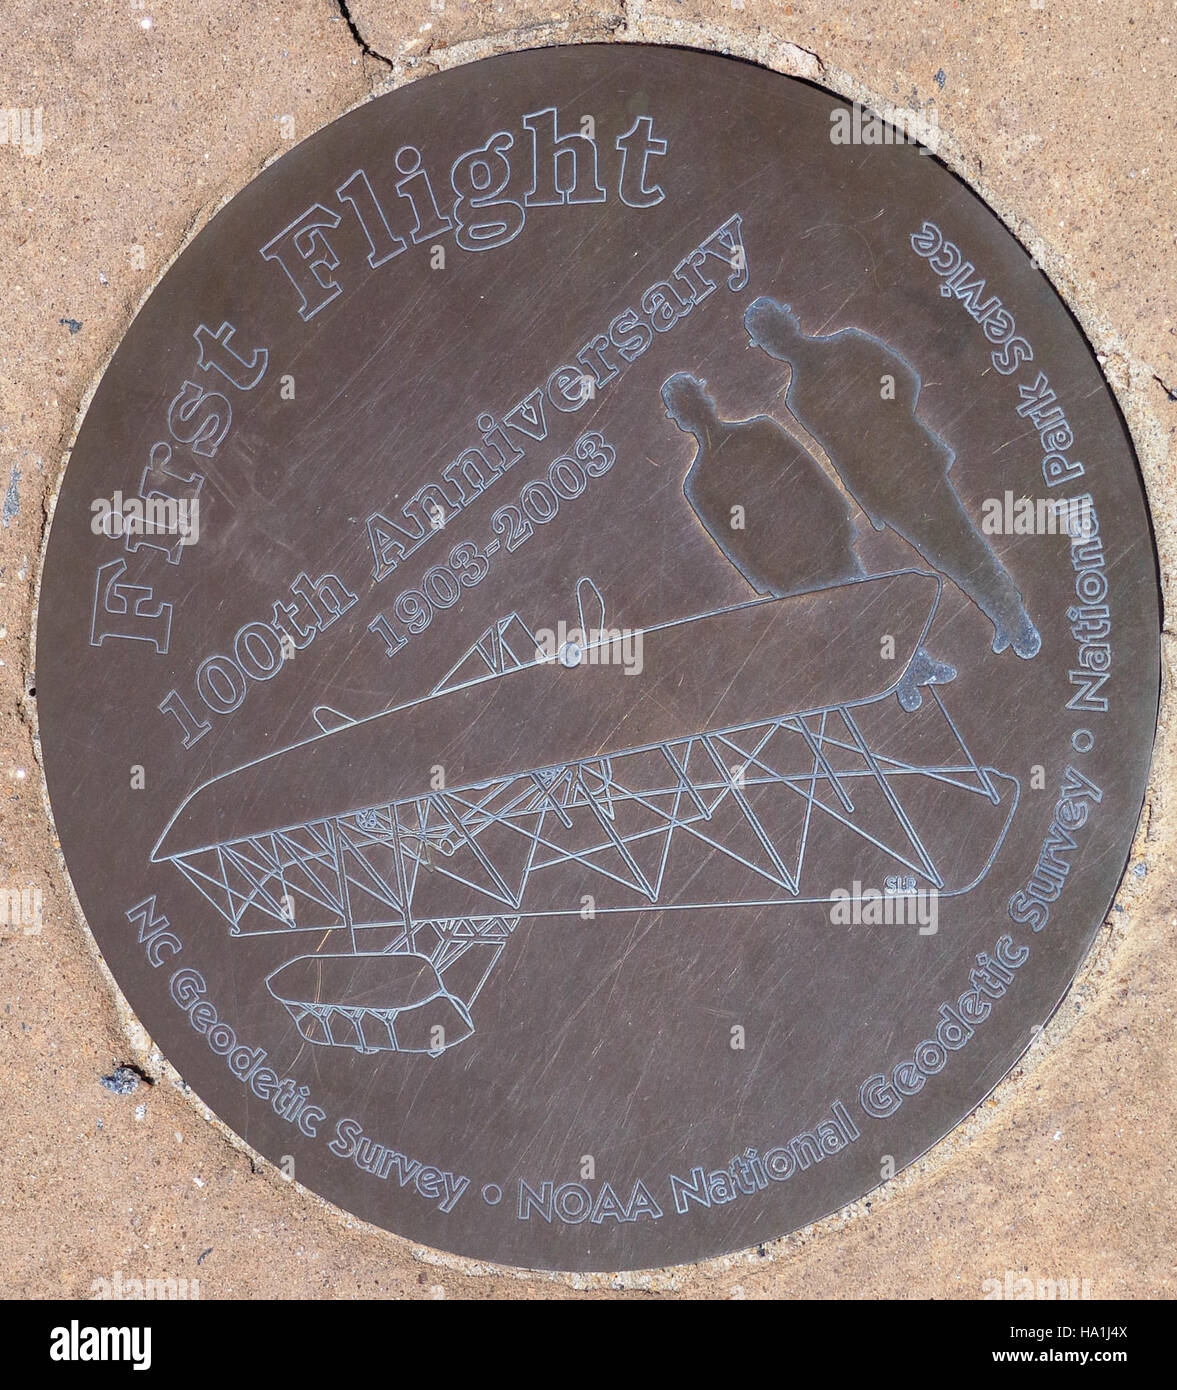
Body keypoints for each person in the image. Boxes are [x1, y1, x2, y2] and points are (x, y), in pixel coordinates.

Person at [744, 297, 1041, 658]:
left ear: (790, 318)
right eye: (768, 338)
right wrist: (865, 496)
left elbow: (901, 378)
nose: (778, 341)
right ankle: (999, 613)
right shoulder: (798, 398)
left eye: (775, 328)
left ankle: (1014, 613)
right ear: (766, 348)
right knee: (941, 556)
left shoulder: (847, 343)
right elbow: (836, 448)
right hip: (882, 488)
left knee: (962, 538)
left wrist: (886, 418)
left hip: (912, 461)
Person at [661, 372, 862, 599]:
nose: (697, 410)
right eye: (690, 405)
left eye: (693, 401)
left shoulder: (760, 432)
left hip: (823, 545)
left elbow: (810, 475)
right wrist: (767, 582)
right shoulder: (698, 484)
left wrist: (842, 521)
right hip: (792, 571)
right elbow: (735, 542)